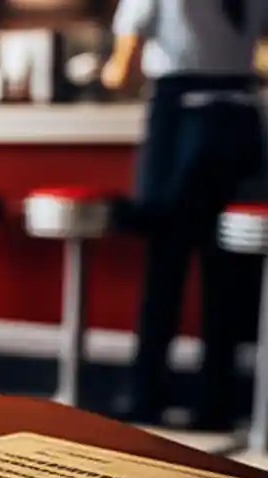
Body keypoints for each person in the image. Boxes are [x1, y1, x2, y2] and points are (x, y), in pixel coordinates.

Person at [103, 0, 267, 430]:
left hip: (182, 120)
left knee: (165, 267)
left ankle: (146, 395)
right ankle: (217, 402)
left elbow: (122, 72)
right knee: (227, 270)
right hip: (243, 120)